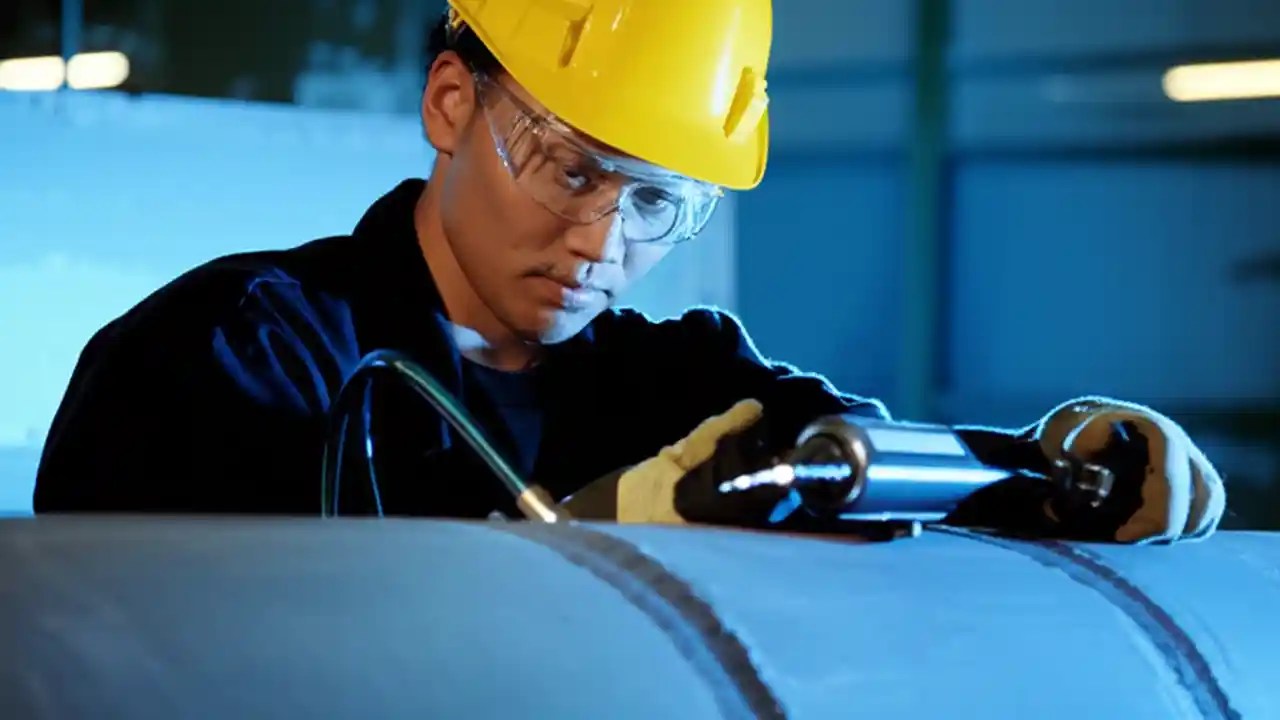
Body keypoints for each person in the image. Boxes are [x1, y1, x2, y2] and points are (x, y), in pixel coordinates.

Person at [34, 0, 1224, 543]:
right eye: (570, 171)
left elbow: (849, 465)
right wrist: (601, 539)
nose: (606, 245)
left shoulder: (677, 376)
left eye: (657, 200)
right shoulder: (226, 357)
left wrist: (1053, 473)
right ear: (451, 104)